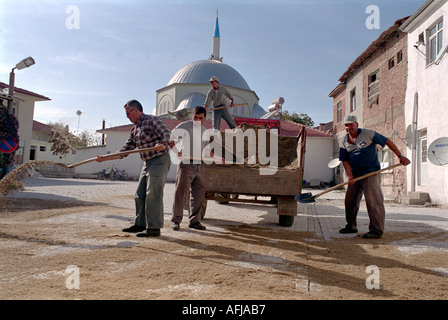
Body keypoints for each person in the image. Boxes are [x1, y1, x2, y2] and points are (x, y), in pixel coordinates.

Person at [96, 100, 171, 237]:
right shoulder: (134, 130)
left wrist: (162, 143)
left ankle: (154, 228)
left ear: (135, 110)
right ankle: (140, 224)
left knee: (153, 193)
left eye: (127, 113)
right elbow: (124, 151)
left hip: (159, 160)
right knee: (140, 194)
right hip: (146, 162)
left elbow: (166, 132)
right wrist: (104, 158)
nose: (126, 117)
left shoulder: (152, 120)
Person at [338, 114, 410, 239]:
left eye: (351, 124)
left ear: (356, 124)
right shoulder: (344, 141)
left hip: (370, 173)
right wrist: (350, 175)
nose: (349, 127)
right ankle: (351, 226)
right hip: (355, 174)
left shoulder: (368, 134)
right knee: (350, 200)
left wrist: (400, 156)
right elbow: (345, 160)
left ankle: (376, 230)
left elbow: (387, 141)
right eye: (346, 125)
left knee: (373, 201)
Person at [170, 106, 222, 231]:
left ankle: (195, 221)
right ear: (192, 115)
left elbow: (207, 150)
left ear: (205, 118)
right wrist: (177, 153)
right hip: (186, 164)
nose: (197, 120)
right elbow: (170, 139)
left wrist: (217, 157)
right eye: (195, 117)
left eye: (200, 118)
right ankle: (176, 220)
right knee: (181, 192)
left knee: (199, 193)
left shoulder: (204, 130)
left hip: (200, 165)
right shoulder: (185, 126)